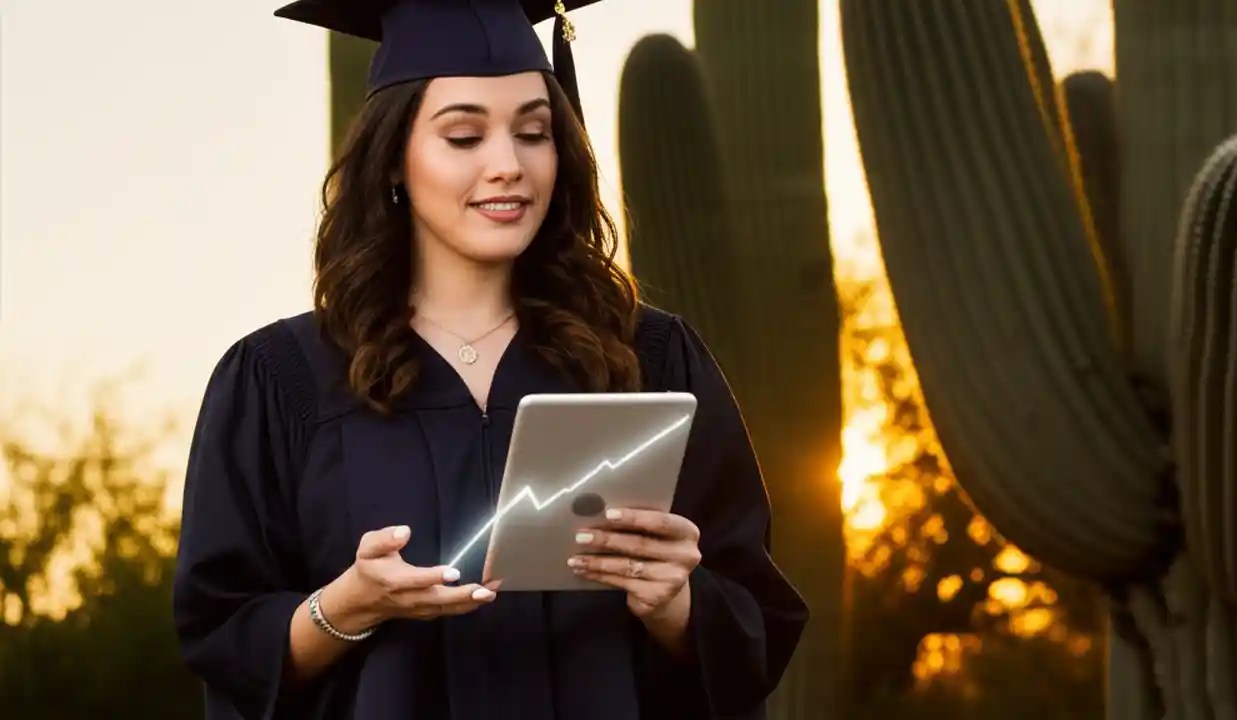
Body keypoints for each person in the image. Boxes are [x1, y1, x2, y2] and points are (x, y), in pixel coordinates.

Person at [172, 1, 809, 718]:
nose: (507, 165)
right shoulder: (281, 380)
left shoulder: (650, 358)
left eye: (533, 132)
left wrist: (676, 602)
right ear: (394, 161)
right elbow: (222, 634)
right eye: (464, 135)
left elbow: (759, 621)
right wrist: (346, 608)